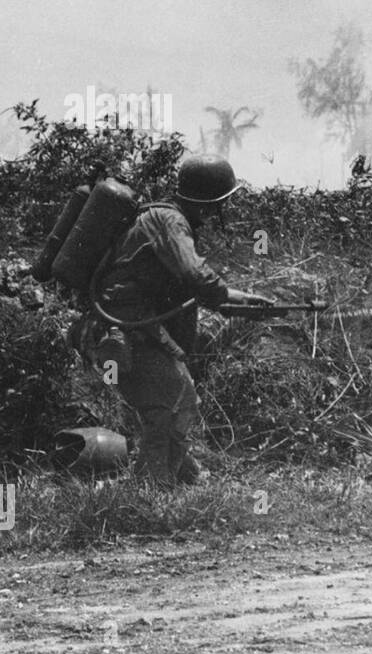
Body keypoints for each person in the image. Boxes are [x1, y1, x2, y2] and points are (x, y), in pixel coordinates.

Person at [91, 154, 270, 487]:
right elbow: (195, 275)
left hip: (129, 322)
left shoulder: (162, 217)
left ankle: (182, 476)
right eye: (217, 205)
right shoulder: (170, 221)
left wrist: (241, 300)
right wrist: (223, 295)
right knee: (172, 401)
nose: (216, 214)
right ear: (209, 203)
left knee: (174, 397)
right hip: (127, 325)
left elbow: (188, 284)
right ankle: (152, 490)